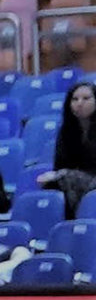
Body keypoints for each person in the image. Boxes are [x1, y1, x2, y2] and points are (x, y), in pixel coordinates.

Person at [35, 81, 96, 217]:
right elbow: (59, 165)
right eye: (75, 99)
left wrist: (65, 175)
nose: (79, 103)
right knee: (50, 186)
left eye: (86, 98)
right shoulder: (66, 132)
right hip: (71, 181)